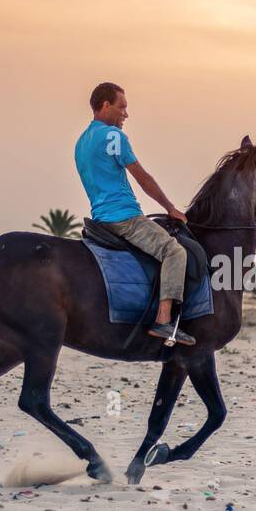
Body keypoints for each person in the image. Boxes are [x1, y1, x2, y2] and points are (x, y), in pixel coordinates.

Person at [74, 82, 195, 346]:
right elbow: (142, 177)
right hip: (125, 217)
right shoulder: (113, 137)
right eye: (122, 107)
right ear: (105, 105)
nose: (126, 115)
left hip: (100, 218)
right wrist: (170, 207)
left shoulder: (81, 142)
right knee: (174, 251)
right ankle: (164, 322)